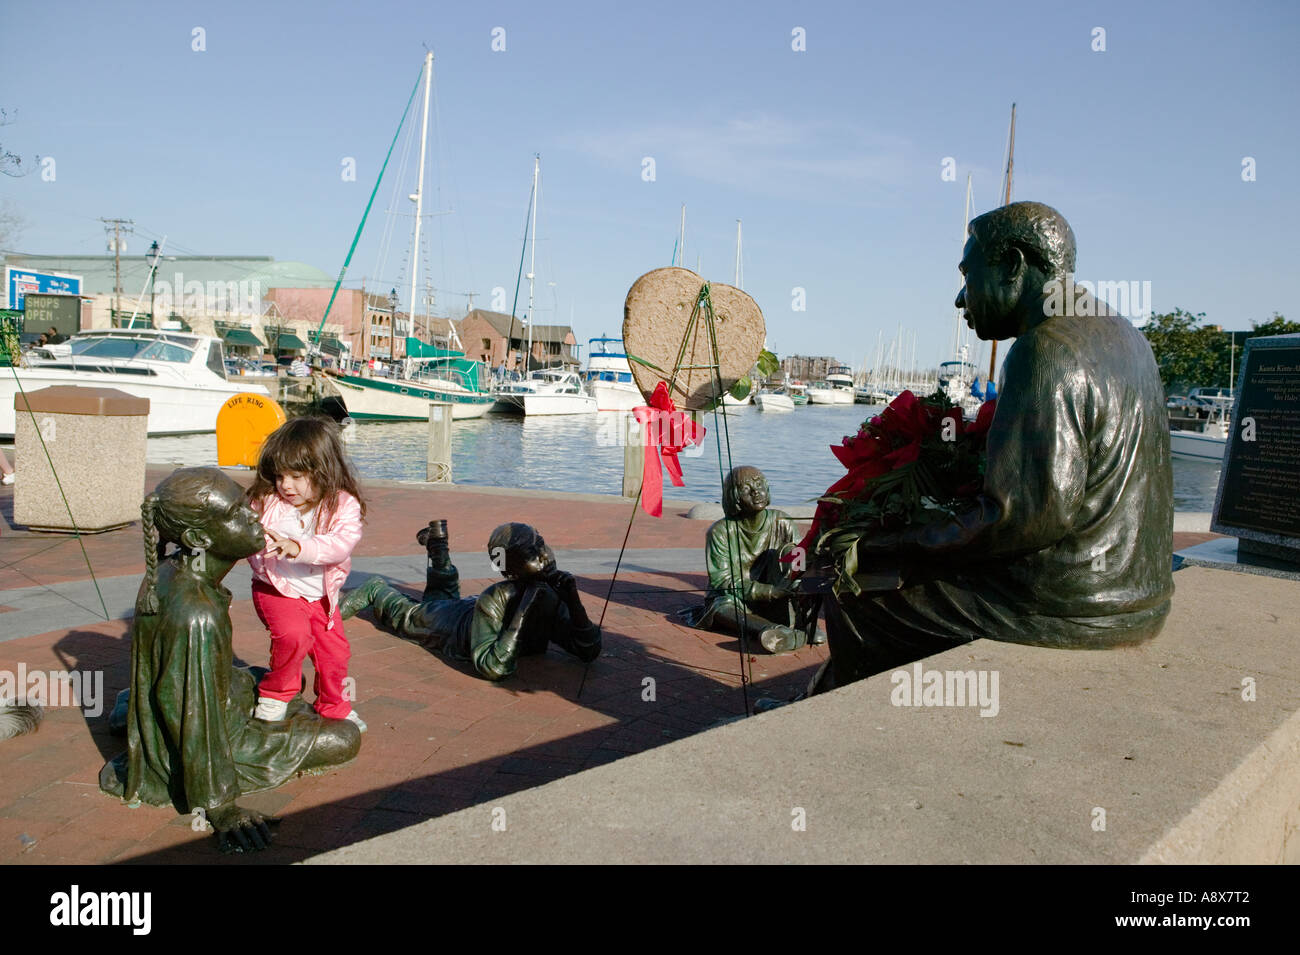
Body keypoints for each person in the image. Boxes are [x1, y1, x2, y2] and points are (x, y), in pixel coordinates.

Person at [812, 201, 1173, 692]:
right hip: (1141, 593)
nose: (962, 299)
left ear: (1013, 266)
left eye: (968, 275)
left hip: (1076, 603)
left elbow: (1024, 518)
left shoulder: (1044, 349)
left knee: (856, 593)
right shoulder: (1126, 334)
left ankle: (859, 739)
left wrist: (892, 540)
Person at [99, 467, 360, 852]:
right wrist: (221, 805)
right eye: (237, 511)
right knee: (342, 737)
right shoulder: (197, 614)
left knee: (268, 681)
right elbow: (198, 717)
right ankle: (150, 733)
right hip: (210, 734)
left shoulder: (178, 569)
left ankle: (135, 714)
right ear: (200, 537)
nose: (254, 514)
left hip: (204, 702)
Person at [340, 521, 601, 681]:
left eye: (542, 545)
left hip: (473, 613)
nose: (545, 556)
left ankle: (437, 544)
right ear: (510, 571)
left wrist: (574, 602)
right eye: (532, 553)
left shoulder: (550, 592)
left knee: (441, 599)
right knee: (410, 616)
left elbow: (588, 650)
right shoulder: (498, 596)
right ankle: (376, 589)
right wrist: (524, 610)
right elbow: (492, 667)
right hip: (454, 627)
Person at [245, 417, 368, 731]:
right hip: (276, 588)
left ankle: (335, 704)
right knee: (294, 636)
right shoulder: (267, 503)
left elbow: (340, 545)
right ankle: (277, 692)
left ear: (323, 471)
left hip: (320, 596)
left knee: (335, 653)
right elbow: (241, 534)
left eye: (297, 476)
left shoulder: (342, 505)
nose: (286, 485)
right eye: (280, 476)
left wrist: (300, 547)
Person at [682, 466, 822, 653]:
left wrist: (793, 578)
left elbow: (799, 563)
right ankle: (772, 631)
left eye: (759, 484)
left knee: (790, 560)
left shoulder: (782, 522)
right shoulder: (720, 532)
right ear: (734, 496)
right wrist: (770, 591)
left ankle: (804, 623)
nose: (756, 492)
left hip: (778, 593)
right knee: (721, 607)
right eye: (746, 488)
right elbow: (722, 581)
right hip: (737, 599)